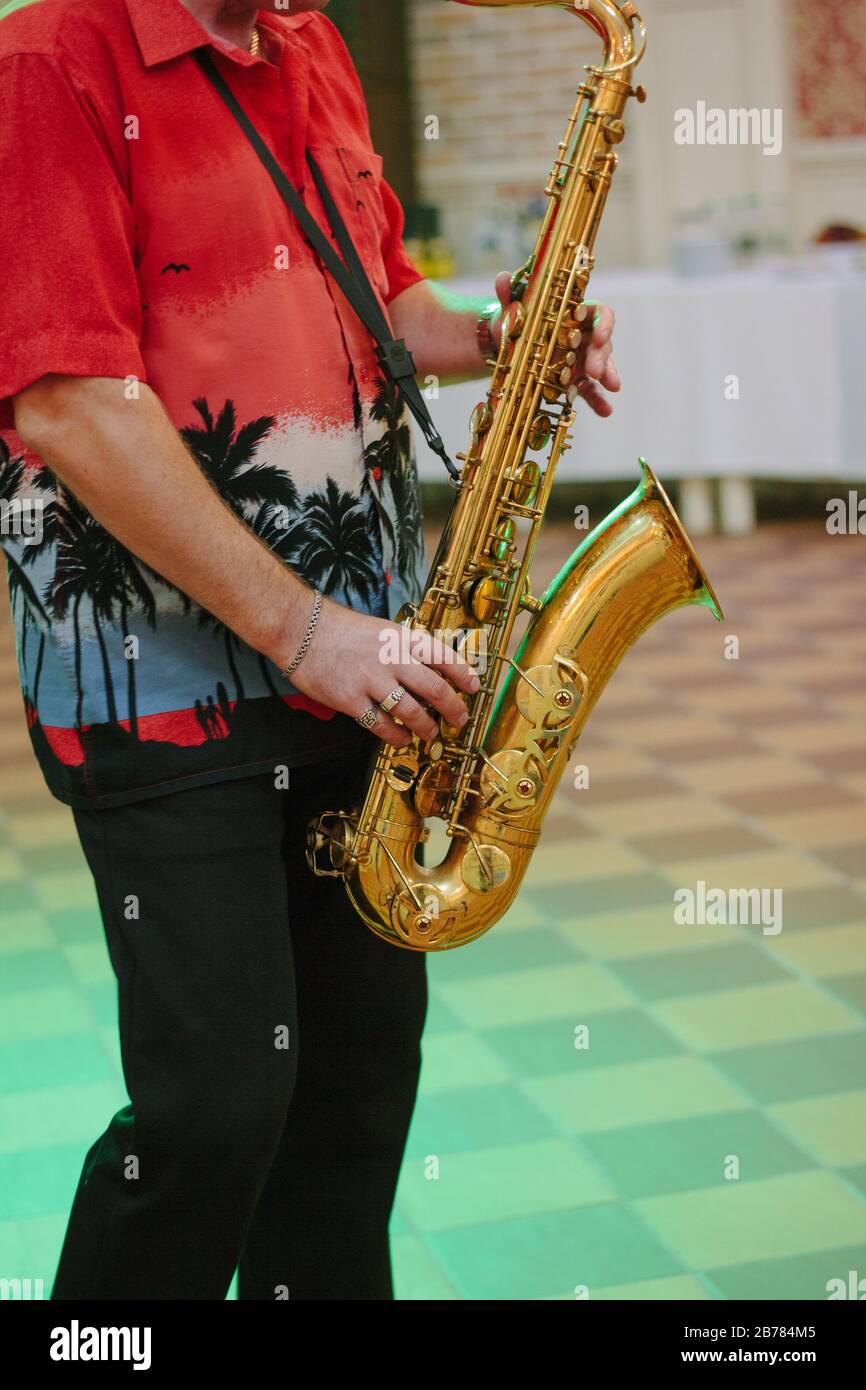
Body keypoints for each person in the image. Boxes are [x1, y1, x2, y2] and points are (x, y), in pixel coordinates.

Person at [0, 0, 619, 1300]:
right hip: (166, 696)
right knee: (217, 1109)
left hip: (360, 662)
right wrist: (304, 629)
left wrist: (497, 334)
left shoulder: (308, 42)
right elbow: (66, 398)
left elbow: (378, 299)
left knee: (349, 1098)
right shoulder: (49, 57)